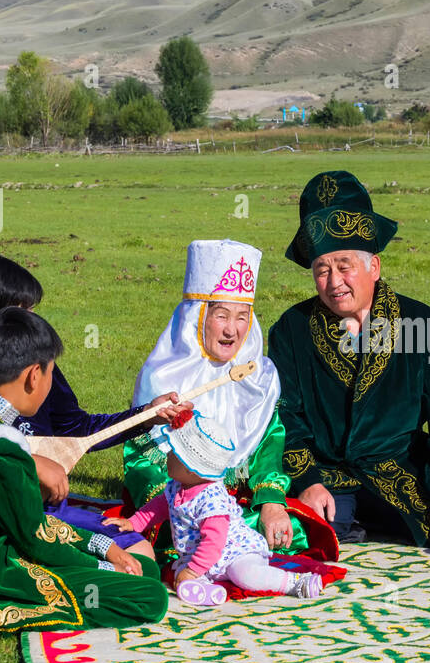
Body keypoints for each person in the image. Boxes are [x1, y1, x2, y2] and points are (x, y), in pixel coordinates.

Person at [0, 307, 168, 636]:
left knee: (146, 570)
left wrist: (105, 547)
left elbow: (30, 525)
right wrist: (103, 562)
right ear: (34, 376)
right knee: (150, 595)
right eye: (51, 373)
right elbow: (36, 539)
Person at [267, 171, 430, 545]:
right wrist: (307, 482)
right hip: (324, 472)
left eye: (345, 266)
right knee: (308, 537)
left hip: (400, 469)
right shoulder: (291, 330)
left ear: (373, 267)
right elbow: (283, 415)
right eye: (322, 270)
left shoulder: (418, 321)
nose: (334, 282)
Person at [0, 254, 179, 548]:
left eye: (34, 313)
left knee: (139, 550)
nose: (34, 323)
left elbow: (77, 429)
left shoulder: (40, 367)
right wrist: (30, 462)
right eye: (23, 314)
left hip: (45, 511)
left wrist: (146, 416)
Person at [125, 240, 335, 562]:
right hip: (177, 505)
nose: (232, 330)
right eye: (221, 316)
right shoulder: (161, 379)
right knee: (179, 536)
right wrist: (190, 504)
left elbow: (269, 447)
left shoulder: (257, 377)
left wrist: (271, 503)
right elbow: (142, 463)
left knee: (292, 526)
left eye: (242, 317)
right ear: (198, 317)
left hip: (236, 502)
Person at [107, 411, 324, 605]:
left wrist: (193, 570)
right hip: (203, 557)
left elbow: (214, 542)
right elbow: (157, 508)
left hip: (236, 552)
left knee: (244, 575)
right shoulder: (177, 486)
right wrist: (132, 523)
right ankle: (207, 590)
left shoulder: (212, 501)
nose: (167, 457)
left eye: (173, 454)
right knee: (178, 573)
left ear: (191, 469)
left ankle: (293, 582)